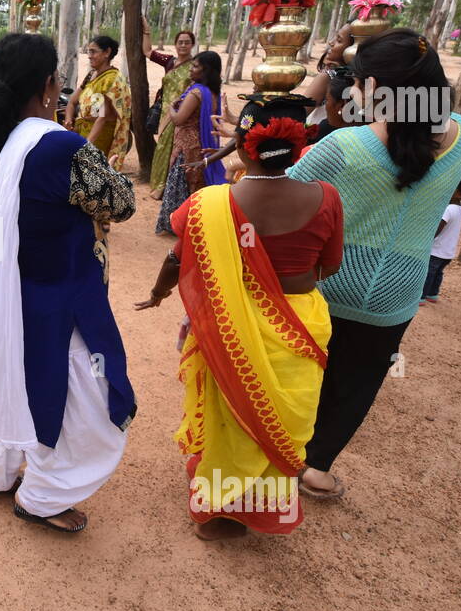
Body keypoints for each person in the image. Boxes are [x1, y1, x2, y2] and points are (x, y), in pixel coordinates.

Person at [0, 33, 136, 534]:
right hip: (60, 293)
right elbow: (121, 203)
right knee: (70, 398)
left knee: (13, 374)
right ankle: (43, 496)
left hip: (10, 294)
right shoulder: (62, 147)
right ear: (49, 85)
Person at [137, 113, 342, 539]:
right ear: (298, 150)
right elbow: (329, 265)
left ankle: (220, 510)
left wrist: (159, 294)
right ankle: (258, 504)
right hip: (298, 325)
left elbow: (177, 258)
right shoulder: (326, 197)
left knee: (231, 413)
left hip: (229, 322)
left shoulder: (210, 204)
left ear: (244, 149)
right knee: (279, 417)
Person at [287, 28, 461, 498]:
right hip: (399, 289)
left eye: (359, 81)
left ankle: (278, 453)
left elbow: (282, 190)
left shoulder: (345, 146)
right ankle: (316, 467)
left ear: (381, 91)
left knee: (301, 372)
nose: (352, 91)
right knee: (358, 382)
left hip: (328, 282)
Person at [155, 50, 225, 233]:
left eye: (195, 66)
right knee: (196, 183)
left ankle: (176, 224)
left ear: (206, 70)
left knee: (181, 182)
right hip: (202, 144)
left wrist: (171, 108)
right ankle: (195, 223)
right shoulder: (213, 92)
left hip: (186, 145)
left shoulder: (196, 93)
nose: (191, 70)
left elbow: (179, 119)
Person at [64, 35, 131, 168]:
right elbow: (72, 101)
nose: (89, 55)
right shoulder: (91, 75)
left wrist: (87, 145)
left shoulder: (111, 80)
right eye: (89, 51)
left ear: (107, 53)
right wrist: (68, 120)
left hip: (100, 137)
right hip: (82, 132)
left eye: (93, 51)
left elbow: (101, 117)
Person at [147, 30, 199, 196]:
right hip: (164, 111)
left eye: (187, 42)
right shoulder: (169, 62)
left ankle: (167, 188)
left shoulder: (195, 66)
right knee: (162, 147)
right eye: (180, 42)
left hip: (182, 113)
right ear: (175, 44)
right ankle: (158, 186)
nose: (183, 45)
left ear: (192, 45)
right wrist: (147, 30)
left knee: (173, 149)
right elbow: (147, 51)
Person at [422, 173, 461, 304]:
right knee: (437, 273)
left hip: (436, 250)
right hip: (447, 252)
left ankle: (421, 296)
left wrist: (425, 239)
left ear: (460, 194)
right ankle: (433, 294)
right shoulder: (460, 208)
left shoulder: (448, 209)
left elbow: (437, 229)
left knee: (428, 273)